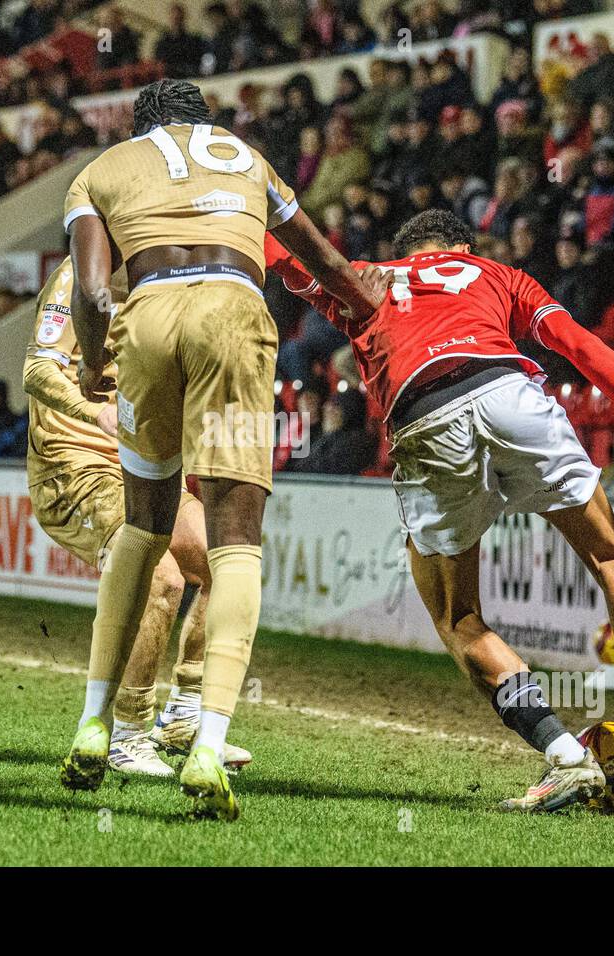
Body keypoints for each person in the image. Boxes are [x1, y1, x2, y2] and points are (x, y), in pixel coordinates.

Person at [266, 210, 614, 815]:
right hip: (512, 395)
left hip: (425, 413)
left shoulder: (364, 279)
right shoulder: (498, 274)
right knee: (612, 559)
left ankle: (564, 755)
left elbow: (283, 256)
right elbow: (582, 347)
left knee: (460, 621)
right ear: (463, 246)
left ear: (403, 251)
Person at [59, 78, 382, 820]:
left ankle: (94, 723)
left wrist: (91, 360)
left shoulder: (98, 171)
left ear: (144, 128)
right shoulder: (247, 158)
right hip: (231, 314)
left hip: (146, 320)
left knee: (143, 528)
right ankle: (206, 743)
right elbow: (328, 264)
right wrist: (369, 320)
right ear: (205, 122)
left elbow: (91, 289)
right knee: (237, 542)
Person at [24, 257, 249, 776]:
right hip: (72, 469)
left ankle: (185, 717)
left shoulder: (172, 279)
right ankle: (127, 733)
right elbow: (36, 370)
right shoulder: (80, 276)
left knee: (225, 559)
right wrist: (95, 412)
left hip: (142, 467)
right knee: (160, 576)